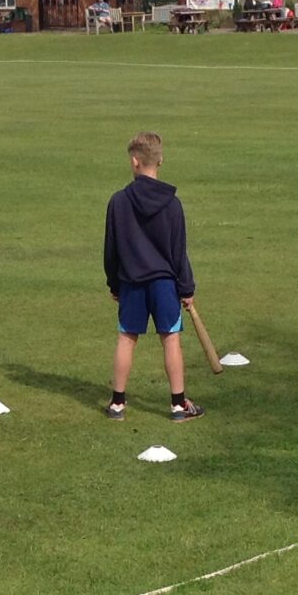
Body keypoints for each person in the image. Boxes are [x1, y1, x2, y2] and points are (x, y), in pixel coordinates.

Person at [103, 131, 202, 422]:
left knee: (126, 338)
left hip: (132, 282)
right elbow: (178, 251)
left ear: (135, 162)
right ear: (160, 161)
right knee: (171, 339)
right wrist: (186, 287)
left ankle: (117, 404)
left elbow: (111, 249)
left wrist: (114, 283)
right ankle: (178, 404)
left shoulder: (118, 202)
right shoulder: (173, 205)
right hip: (164, 283)